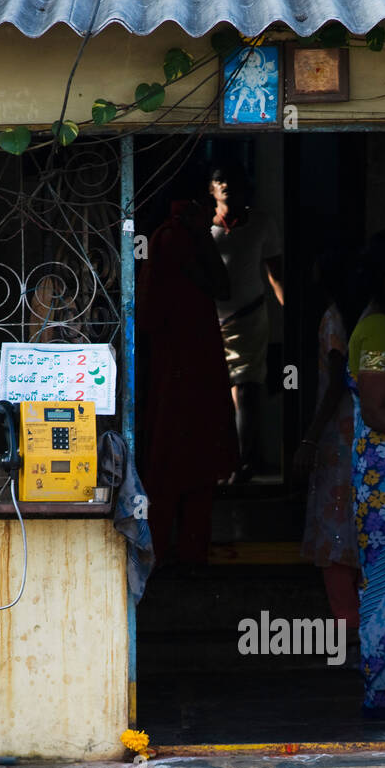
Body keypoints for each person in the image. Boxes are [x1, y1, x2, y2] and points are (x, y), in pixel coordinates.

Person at [136, 182, 239, 566]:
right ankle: (177, 553)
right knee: (179, 460)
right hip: (182, 361)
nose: (214, 215)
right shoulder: (177, 238)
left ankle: (178, 552)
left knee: (179, 459)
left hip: (180, 361)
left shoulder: (169, 236)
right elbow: (220, 285)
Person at [347, 230, 385, 720]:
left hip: (379, 470)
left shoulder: (381, 321)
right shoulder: (384, 328)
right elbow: (376, 410)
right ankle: (384, 692)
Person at [295, 249, 359, 637]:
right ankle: (356, 627)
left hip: (338, 434)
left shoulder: (335, 317)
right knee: (353, 526)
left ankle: (347, 626)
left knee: (334, 530)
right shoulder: (363, 314)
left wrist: (310, 437)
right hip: (360, 431)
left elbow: (336, 382)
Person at [210, 162, 284, 478]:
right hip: (207, 322)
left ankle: (245, 463)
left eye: (231, 179)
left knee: (246, 390)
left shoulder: (261, 223)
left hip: (249, 317)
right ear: (211, 188)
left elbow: (275, 273)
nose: (225, 185)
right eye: (219, 180)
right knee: (214, 394)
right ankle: (220, 463)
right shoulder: (201, 225)